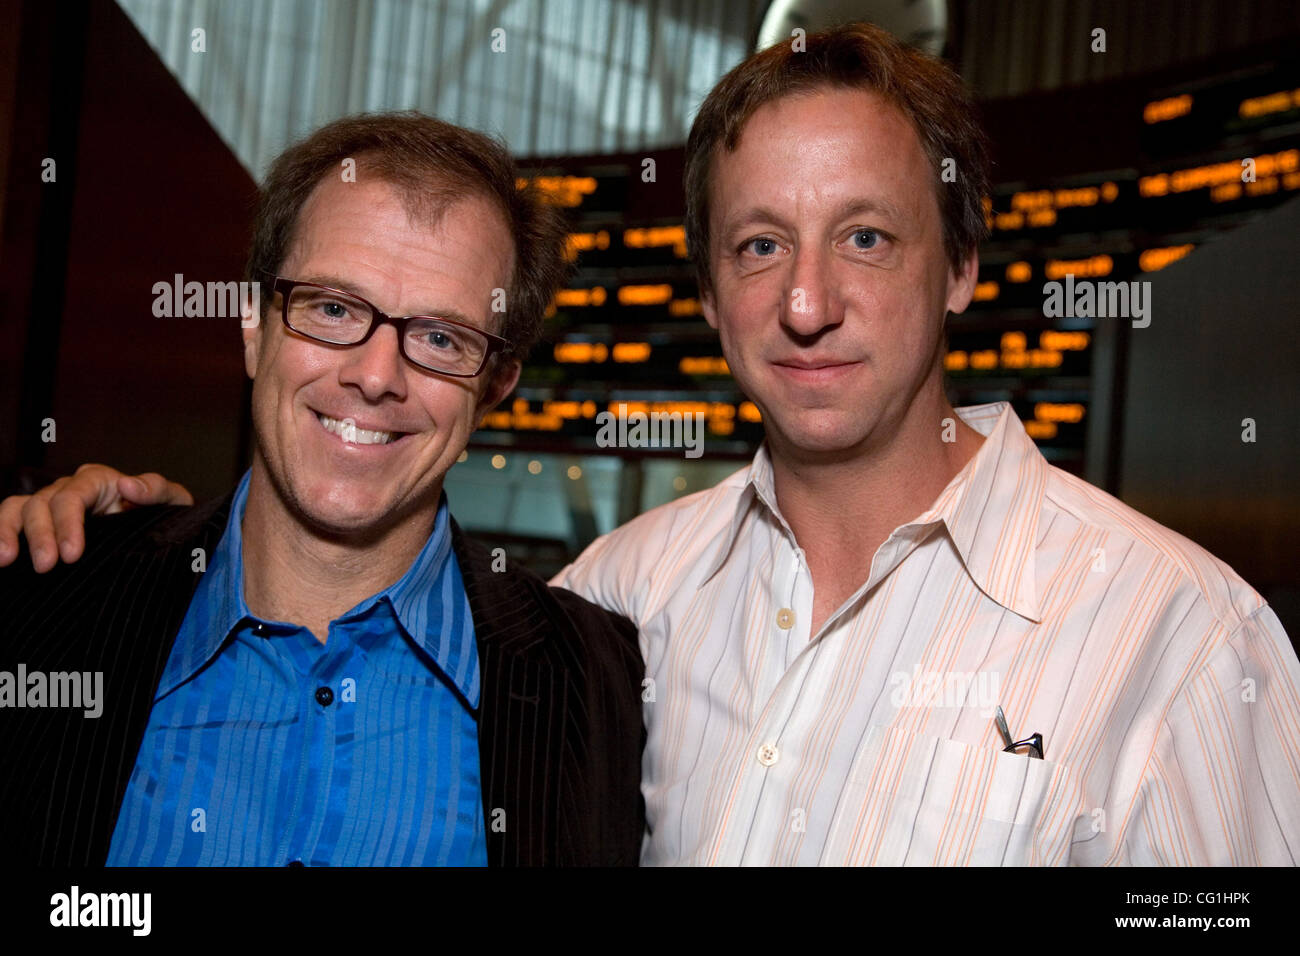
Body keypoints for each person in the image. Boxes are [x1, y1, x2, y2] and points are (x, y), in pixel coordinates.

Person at [6, 24, 1299, 866]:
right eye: (758, 245)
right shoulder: (621, 608)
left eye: (866, 237)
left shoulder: (1183, 644)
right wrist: (92, 534)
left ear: (962, 265)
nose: (806, 300)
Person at [0, 112, 644, 867]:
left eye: (441, 338)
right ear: (253, 322)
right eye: (332, 308)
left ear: (495, 382)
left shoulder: (603, 684)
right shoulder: (49, 601)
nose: (375, 377)